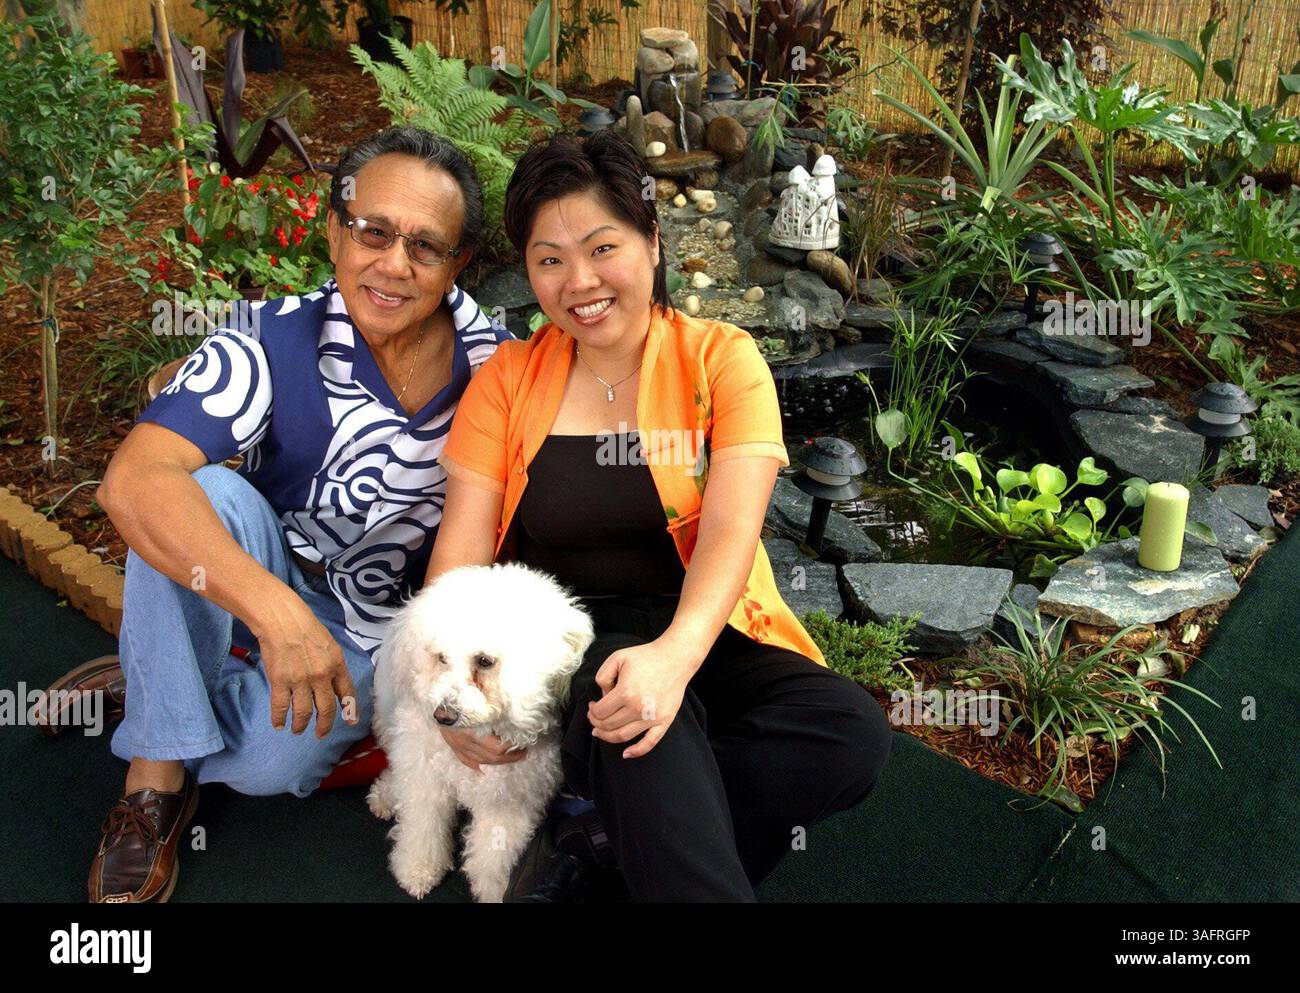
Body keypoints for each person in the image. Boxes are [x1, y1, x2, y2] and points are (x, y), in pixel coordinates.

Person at [41, 126, 511, 903]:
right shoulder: (264, 339)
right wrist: (279, 615)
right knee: (204, 492)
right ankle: (152, 780)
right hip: (270, 571)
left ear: (459, 263)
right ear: (335, 230)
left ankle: (161, 676)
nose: (394, 263)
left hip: (382, 626)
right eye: (373, 231)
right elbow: (131, 482)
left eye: (427, 247)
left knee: (269, 765)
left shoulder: (499, 364)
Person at [429, 129, 894, 902]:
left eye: (601, 247)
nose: (579, 280)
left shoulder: (723, 358)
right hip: (570, 639)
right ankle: (640, 820)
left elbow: (732, 532)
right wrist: (447, 688)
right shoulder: (508, 379)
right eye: (549, 259)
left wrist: (676, 655)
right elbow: (459, 558)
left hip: (705, 622)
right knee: (640, 722)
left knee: (849, 733)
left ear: (651, 240)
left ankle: (597, 842)